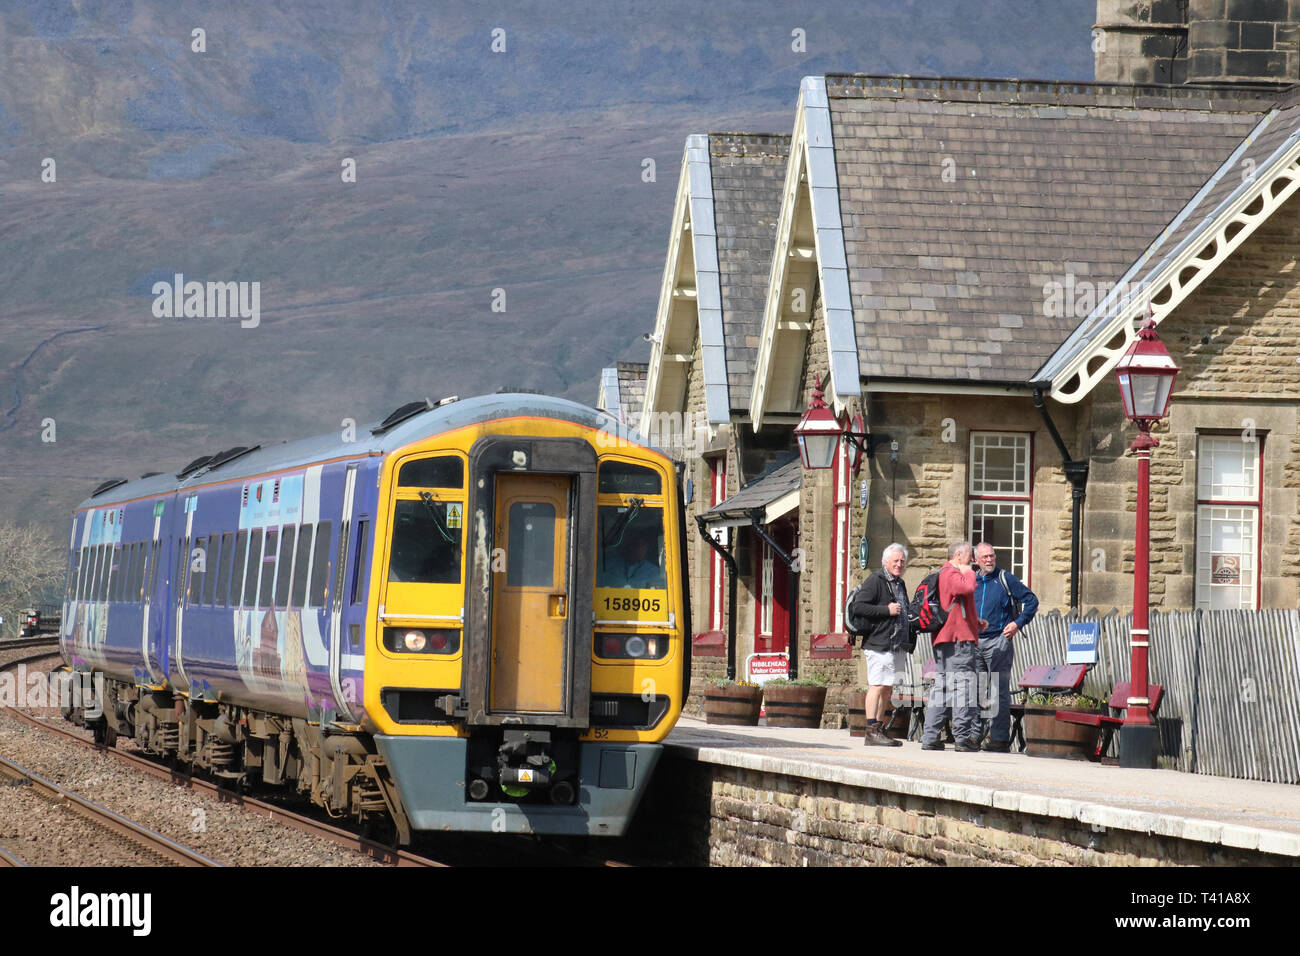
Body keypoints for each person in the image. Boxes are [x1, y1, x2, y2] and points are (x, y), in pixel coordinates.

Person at [920, 541, 987, 752]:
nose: (973, 562)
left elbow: (955, 604)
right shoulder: (951, 572)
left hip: (947, 638)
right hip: (958, 641)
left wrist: (975, 622)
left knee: (943, 687)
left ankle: (930, 737)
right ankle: (962, 738)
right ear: (958, 555)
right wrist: (969, 572)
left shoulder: (944, 573)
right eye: (969, 557)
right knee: (963, 688)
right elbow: (967, 587)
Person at [973, 542, 1039, 752]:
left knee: (997, 691)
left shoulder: (1005, 578)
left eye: (992, 556)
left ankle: (999, 739)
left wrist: (1017, 623)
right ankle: (974, 736)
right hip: (975, 643)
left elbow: (1031, 600)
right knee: (975, 690)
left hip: (998, 641)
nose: (989, 560)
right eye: (984, 557)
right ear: (976, 560)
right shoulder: (971, 581)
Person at [847, 543, 911, 747]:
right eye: (895, 561)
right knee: (876, 685)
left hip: (895, 644)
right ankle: (870, 729)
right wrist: (886, 610)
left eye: (902, 561)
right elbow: (859, 607)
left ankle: (879, 729)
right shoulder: (876, 580)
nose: (899, 564)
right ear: (885, 562)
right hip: (878, 642)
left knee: (886, 688)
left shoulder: (899, 583)